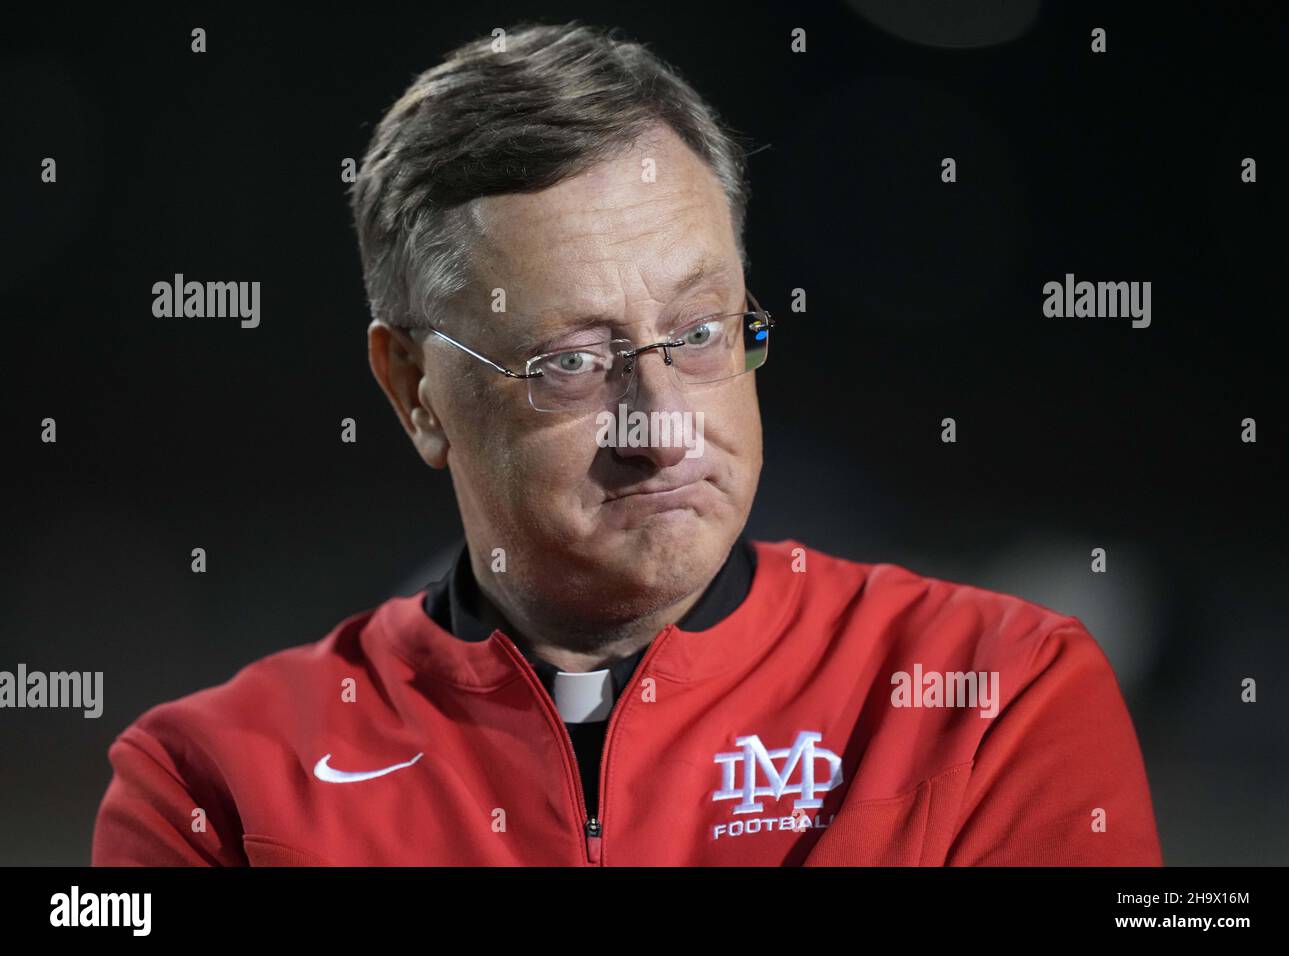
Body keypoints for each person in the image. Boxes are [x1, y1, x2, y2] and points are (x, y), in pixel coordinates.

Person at [92, 21, 1161, 866]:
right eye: (570, 360)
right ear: (415, 389)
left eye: (701, 333)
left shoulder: (996, 696)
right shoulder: (208, 786)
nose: (663, 427)